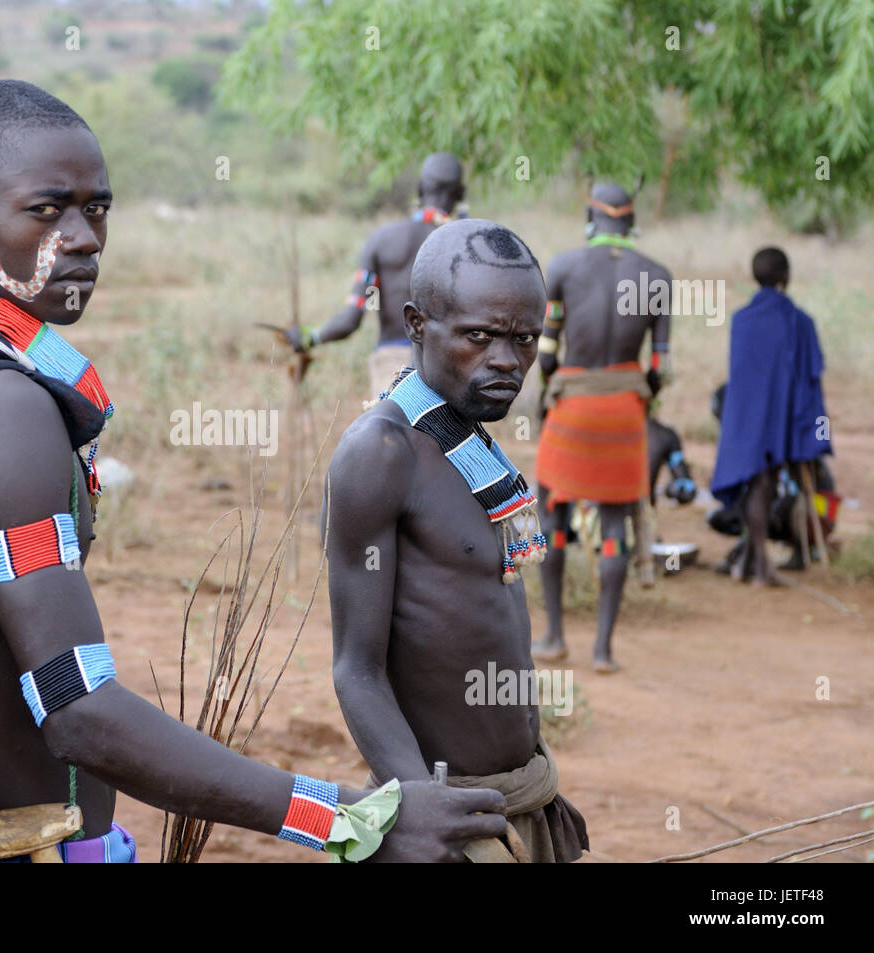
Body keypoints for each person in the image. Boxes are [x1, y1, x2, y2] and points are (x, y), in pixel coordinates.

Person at [0, 80, 509, 864]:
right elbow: (78, 712)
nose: (83, 237)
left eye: (98, 209)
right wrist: (348, 820)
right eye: (47, 211)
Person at [324, 218, 589, 863]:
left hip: (516, 796)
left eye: (525, 339)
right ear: (416, 325)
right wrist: (424, 813)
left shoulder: (463, 437)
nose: (507, 360)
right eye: (479, 336)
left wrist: (538, 790)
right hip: (445, 810)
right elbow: (358, 670)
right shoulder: (381, 453)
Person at [531, 181, 671, 673]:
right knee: (615, 529)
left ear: (592, 219)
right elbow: (659, 366)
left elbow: (546, 352)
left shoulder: (565, 267)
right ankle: (603, 650)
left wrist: (552, 390)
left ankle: (552, 637)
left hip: (572, 409)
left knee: (554, 519)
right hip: (624, 413)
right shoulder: (657, 275)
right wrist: (637, 393)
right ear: (631, 223)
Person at [287, 152, 468, 398]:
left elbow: (351, 320)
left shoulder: (381, 241)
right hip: (443, 371)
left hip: (390, 370)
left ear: (419, 188)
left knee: (386, 436)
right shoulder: (464, 248)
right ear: (460, 194)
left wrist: (310, 336)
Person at [710, 249, 833, 583]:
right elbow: (811, 379)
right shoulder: (799, 321)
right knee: (764, 485)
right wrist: (818, 432)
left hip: (745, 419)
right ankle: (761, 567)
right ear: (785, 276)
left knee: (757, 485)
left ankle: (749, 563)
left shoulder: (741, 320)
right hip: (780, 418)